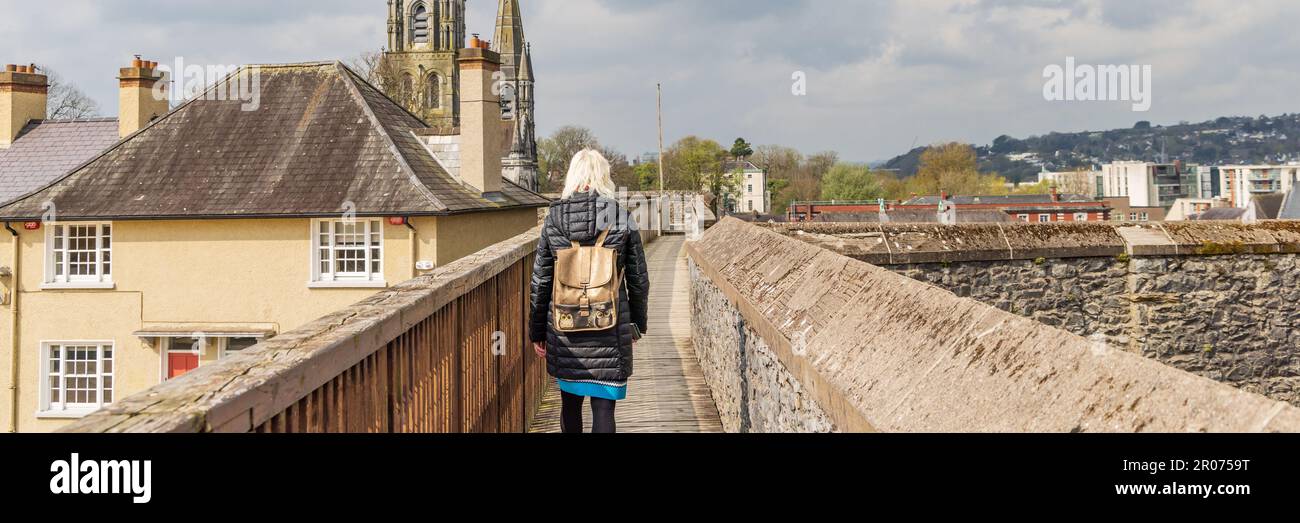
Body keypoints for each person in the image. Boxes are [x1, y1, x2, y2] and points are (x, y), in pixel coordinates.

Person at [529, 149, 651, 434]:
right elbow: (638, 280)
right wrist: (636, 326)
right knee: (604, 407)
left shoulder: (553, 219)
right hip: (609, 324)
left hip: (564, 325)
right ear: (602, 176)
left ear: (573, 176)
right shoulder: (621, 217)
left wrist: (537, 332)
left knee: (569, 405)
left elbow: (541, 282)